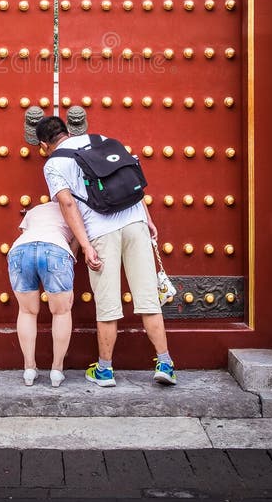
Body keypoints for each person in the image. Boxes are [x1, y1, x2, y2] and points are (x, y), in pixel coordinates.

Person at [35, 115, 176, 388]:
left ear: (44, 144)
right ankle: (165, 363)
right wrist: (147, 218)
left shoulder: (54, 163)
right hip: (135, 222)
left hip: (101, 231)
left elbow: (67, 204)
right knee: (148, 298)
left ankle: (105, 370)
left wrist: (85, 245)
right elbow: (129, 180)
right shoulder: (100, 140)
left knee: (108, 304)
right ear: (67, 131)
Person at [7, 196, 78, 388]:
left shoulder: (35, 210)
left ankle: (29, 369)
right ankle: (57, 370)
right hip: (55, 249)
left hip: (20, 250)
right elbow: (75, 245)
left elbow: (26, 234)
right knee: (61, 312)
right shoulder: (74, 209)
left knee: (27, 311)